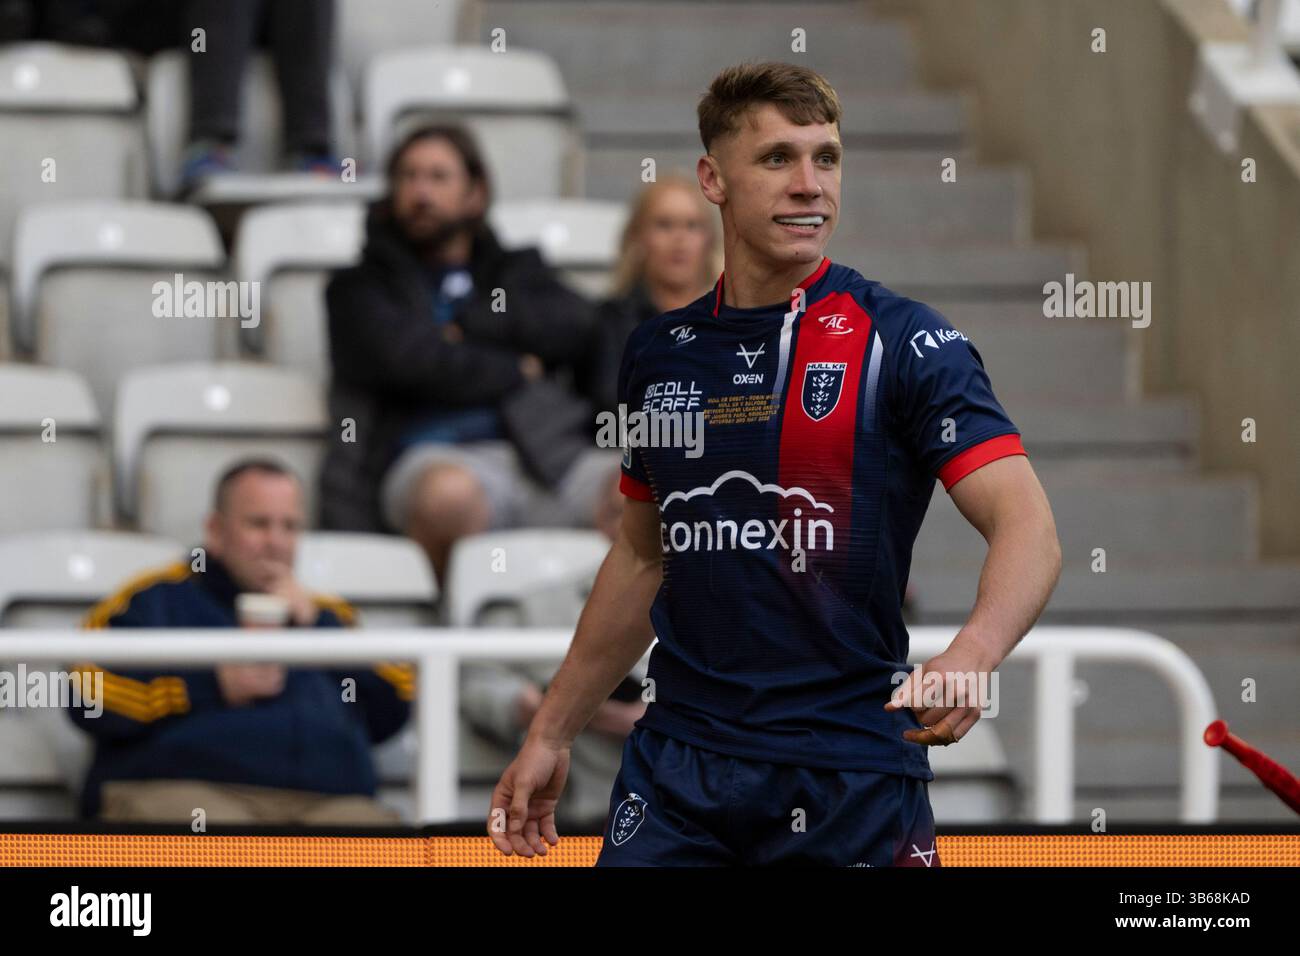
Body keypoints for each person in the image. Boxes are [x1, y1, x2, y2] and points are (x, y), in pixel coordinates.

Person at [487, 62, 1062, 866]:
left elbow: (1027, 524)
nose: (809, 185)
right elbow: (644, 552)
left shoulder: (905, 339)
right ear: (711, 179)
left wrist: (971, 654)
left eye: (825, 159)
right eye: (777, 159)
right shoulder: (658, 352)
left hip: (850, 776)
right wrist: (553, 729)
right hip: (677, 774)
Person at [322, 124, 610, 583]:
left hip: (545, 458)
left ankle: (624, 652)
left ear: (475, 194)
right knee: (449, 498)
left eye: (438, 177)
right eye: (409, 177)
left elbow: (581, 325)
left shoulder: (515, 271)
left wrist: (473, 326)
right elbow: (409, 360)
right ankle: (460, 649)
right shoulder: (359, 287)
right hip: (430, 459)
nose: (420, 192)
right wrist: (514, 365)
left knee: (645, 491)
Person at [67, 458, 412, 824]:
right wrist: (208, 684)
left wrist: (318, 629)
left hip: (326, 805)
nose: (276, 543)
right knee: (222, 834)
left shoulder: (325, 612)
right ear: (215, 531)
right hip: (189, 795)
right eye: (258, 524)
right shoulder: (158, 597)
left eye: (290, 527)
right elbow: (83, 688)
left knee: (369, 832)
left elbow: (394, 705)